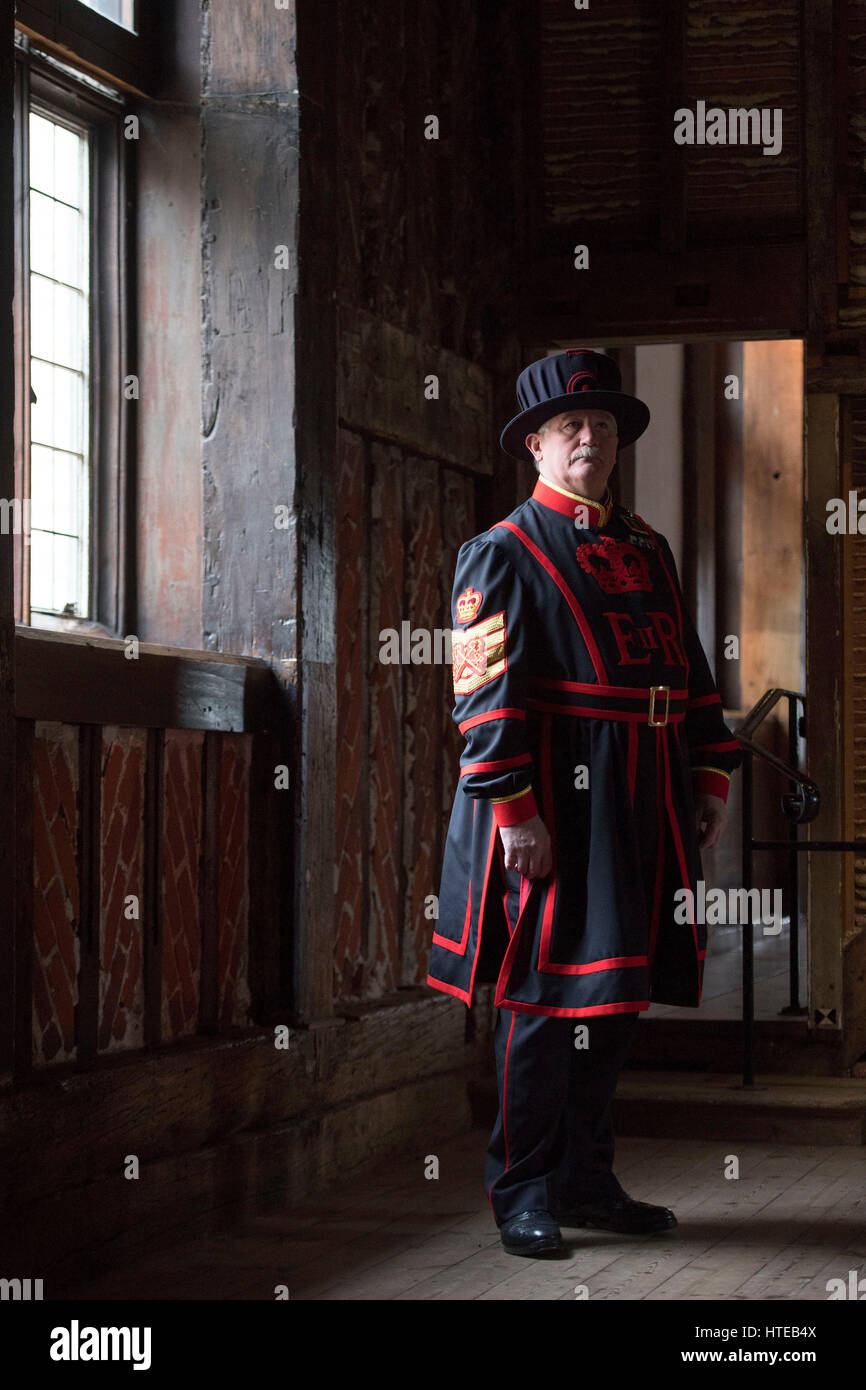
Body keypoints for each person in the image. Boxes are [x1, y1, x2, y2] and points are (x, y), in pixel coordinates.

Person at [427, 348, 742, 1257]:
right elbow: (480, 699)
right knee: (544, 998)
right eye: (571, 426)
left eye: (603, 426)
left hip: (644, 793)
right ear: (534, 445)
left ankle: (587, 1180)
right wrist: (516, 814)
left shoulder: (649, 549)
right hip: (557, 803)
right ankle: (522, 1187)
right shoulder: (500, 553)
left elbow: (687, 668)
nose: (591, 440)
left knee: (614, 998)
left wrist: (707, 777)